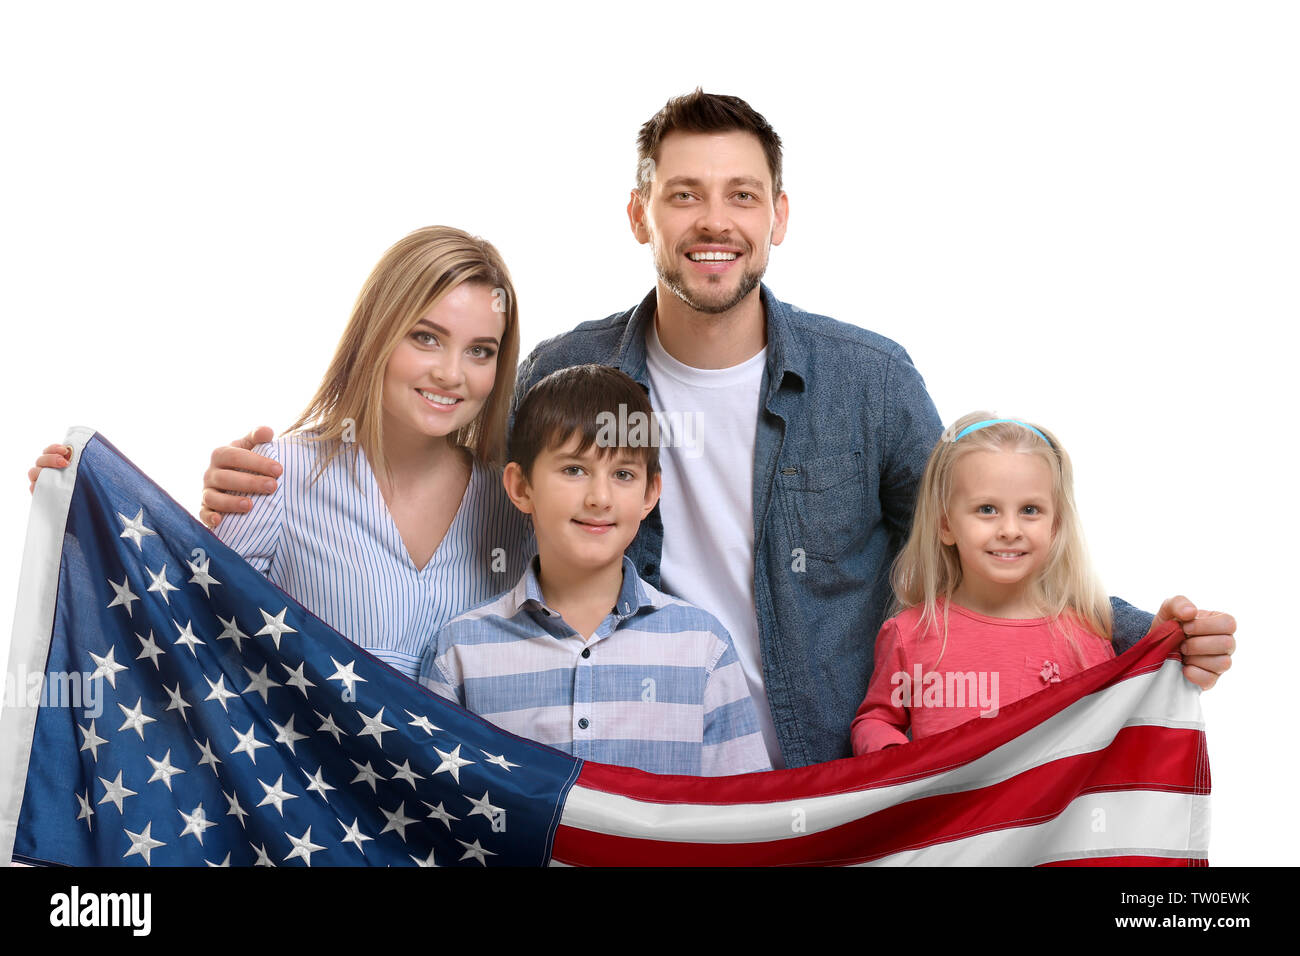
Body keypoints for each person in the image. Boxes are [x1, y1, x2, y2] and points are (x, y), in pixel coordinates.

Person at [190, 90, 1237, 769]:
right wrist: (234, 478)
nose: (712, 221)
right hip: (637, 782)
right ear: (639, 213)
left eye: (740, 195)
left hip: (836, 778)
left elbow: (969, 539)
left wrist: (1139, 631)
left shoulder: (864, 380)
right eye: (682, 194)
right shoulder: (569, 372)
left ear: (779, 215)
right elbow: (436, 440)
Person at [31, 225, 532, 679]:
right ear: (376, 333)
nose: (451, 373)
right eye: (426, 337)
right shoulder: (279, 477)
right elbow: (182, 637)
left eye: (480, 351)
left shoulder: (518, 506)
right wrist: (86, 521)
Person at [419, 365, 770, 776]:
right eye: (574, 470)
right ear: (521, 487)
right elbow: (435, 819)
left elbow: (742, 817)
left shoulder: (704, 647)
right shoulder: (459, 653)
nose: (600, 498)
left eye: (623, 474)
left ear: (649, 494)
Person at [851, 414, 1117, 753]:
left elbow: (1109, 738)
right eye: (987, 509)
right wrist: (891, 755)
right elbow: (876, 719)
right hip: (948, 807)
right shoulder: (910, 634)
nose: (1010, 530)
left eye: (1030, 510)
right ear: (945, 524)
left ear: (1055, 526)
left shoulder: (1085, 639)